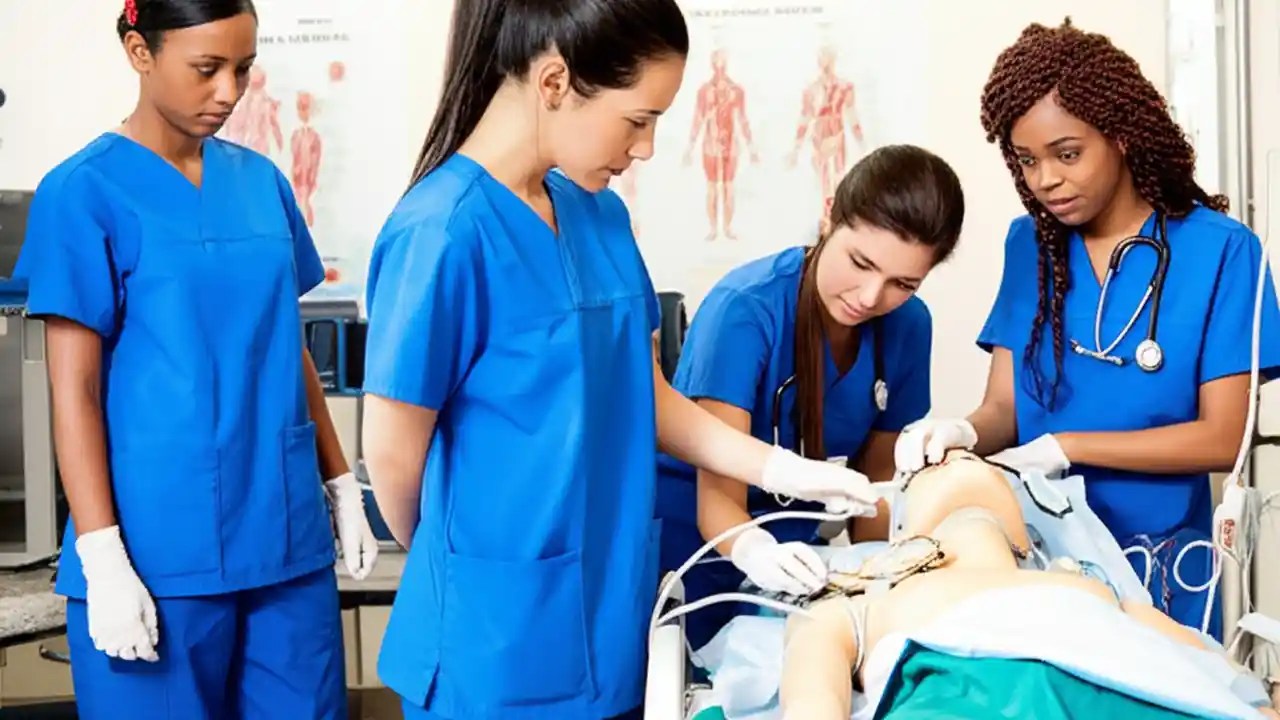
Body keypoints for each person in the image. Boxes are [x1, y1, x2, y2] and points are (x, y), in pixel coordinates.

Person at [357, 2, 881, 720]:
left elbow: (645, 391)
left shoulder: (597, 216)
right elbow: (391, 459)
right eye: (638, 119)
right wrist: (472, 574)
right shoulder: (443, 232)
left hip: (608, 614)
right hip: (493, 645)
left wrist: (778, 471)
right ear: (553, 82)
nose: (647, 147)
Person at [13, 2, 379, 718]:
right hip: (156, 555)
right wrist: (104, 558)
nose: (228, 92)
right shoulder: (83, 191)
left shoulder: (262, 181)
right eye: (205, 69)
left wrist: (340, 483)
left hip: (285, 550)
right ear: (138, 52)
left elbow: (287, 343)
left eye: (242, 68)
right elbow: (74, 392)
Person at [894, 18, 1280, 639]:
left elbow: (1222, 436)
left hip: (1162, 565)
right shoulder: (1031, 246)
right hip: (1041, 557)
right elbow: (1005, 409)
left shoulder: (1224, 252)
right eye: (1026, 161)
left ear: (1122, 136)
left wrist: (1068, 446)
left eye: (1067, 154)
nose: (1045, 180)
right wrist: (962, 430)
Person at [654, 144, 964, 649]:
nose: (870, 297)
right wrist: (755, 549)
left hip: (798, 556)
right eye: (860, 262)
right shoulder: (745, 310)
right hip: (697, 548)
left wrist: (892, 571)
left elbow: (876, 491)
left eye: (902, 283)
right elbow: (718, 504)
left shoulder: (908, 327)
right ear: (828, 216)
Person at [778, 451, 1280, 720]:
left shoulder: (1086, 584)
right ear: (900, 534)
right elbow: (811, 703)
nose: (953, 458)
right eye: (927, 468)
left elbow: (1220, 674)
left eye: (975, 459)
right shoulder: (859, 597)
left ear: (1028, 533)